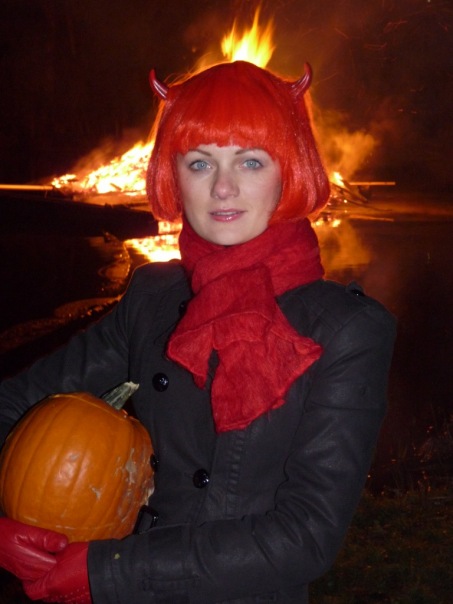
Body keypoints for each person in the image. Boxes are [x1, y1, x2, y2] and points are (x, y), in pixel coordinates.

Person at [0, 60, 396, 603]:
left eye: (251, 161)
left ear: (289, 171)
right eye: (200, 162)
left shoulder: (348, 330)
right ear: (173, 174)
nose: (223, 187)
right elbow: (15, 405)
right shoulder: (153, 298)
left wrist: (109, 572)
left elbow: (306, 535)